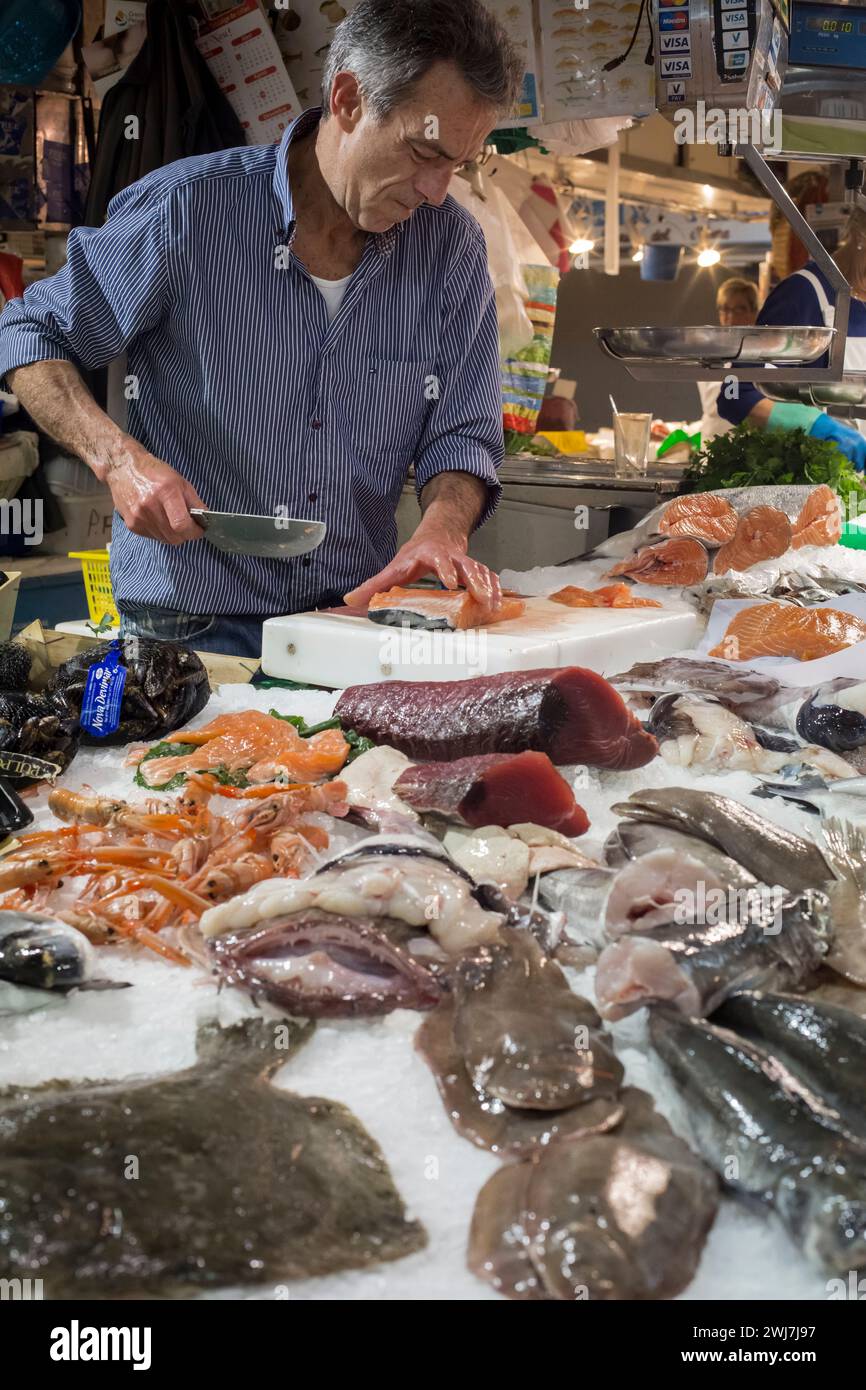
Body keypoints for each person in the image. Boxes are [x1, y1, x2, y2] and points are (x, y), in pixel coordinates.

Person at [0, 0, 522, 656]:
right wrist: (119, 461)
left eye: (460, 164)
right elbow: (28, 331)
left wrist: (443, 528)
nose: (437, 189)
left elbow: (462, 436)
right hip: (180, 628)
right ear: (349, 98)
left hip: (348, 623)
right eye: (424, 152)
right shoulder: (187, 212)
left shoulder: (452, 250)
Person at [717, 207, 866, 469]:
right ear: (861, 236)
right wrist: (814, 426)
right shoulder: (801, 295)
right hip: (816, 484)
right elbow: (734, 392)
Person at [697, 276, 758, 445]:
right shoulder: (709, 351)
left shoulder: (762, 353)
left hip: (749, 444)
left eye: (739, 309)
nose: (730, 317)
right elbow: (714, 404)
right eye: (725, 309)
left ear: (753, 312)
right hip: (714, 444)